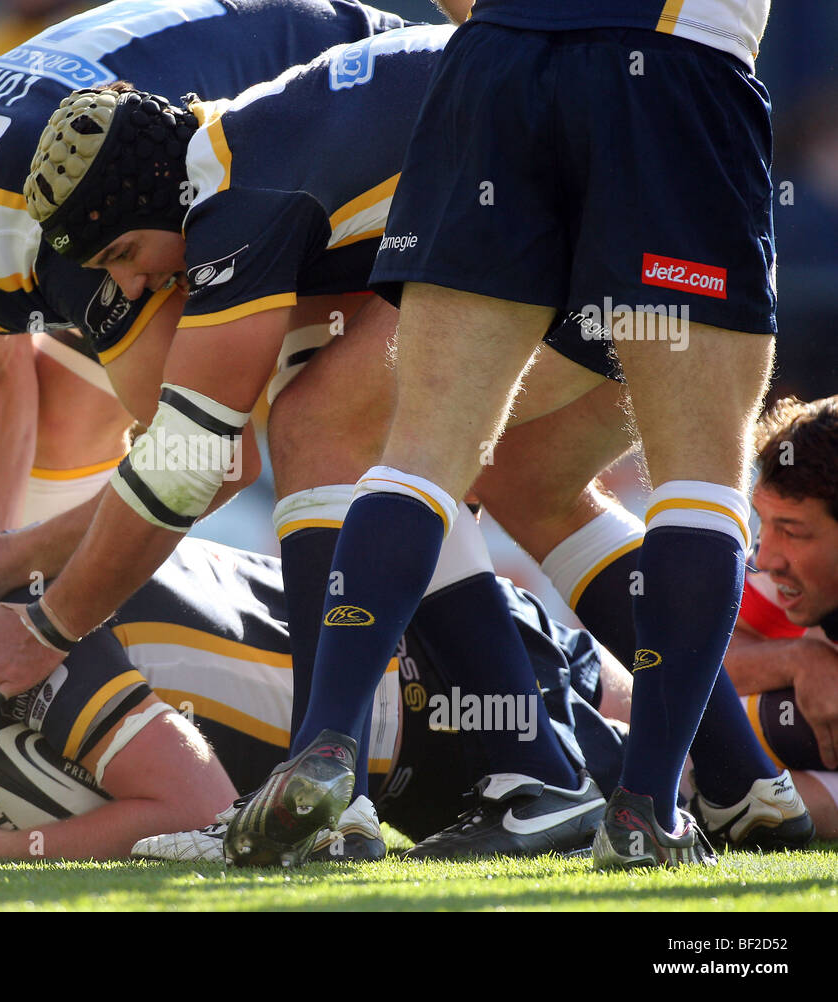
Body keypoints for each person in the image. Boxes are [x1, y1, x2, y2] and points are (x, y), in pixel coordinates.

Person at [0, 25, 806, 863]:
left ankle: (435, 781)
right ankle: (735, 777)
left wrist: (48, 614)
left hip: (558, 175)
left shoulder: (232, 195)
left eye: (123, 254)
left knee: (319, 422)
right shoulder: (266, 140)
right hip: (682, 138)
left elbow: (197, 454)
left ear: (152, 200)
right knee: (540, 475)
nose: (135, 279)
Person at [239, 0, 781, 870]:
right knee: (701, 471)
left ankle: (327, 742)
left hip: (493, 65)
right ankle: (646, 809)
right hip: (677, 66)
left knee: (420, 448)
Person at [0, 0, 404, 537]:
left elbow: (209, 466)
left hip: (399, 125)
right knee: (74, 412)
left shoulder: (55, 237)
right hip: (341, 92)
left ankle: (384, 677)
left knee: (313, 431)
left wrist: (19, 578)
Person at [0, 535, 631, 862]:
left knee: (742, 782)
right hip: (446, 700)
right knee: (721, 751)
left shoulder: (24, 652)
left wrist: (17, 853)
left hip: (454, 708)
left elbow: (201, 808)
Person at [714, 396, 838, 842]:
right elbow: (695, 659)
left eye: (792, 531)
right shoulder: (768, 574)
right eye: (765, 525)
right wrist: (798, 659)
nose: (765, 558)